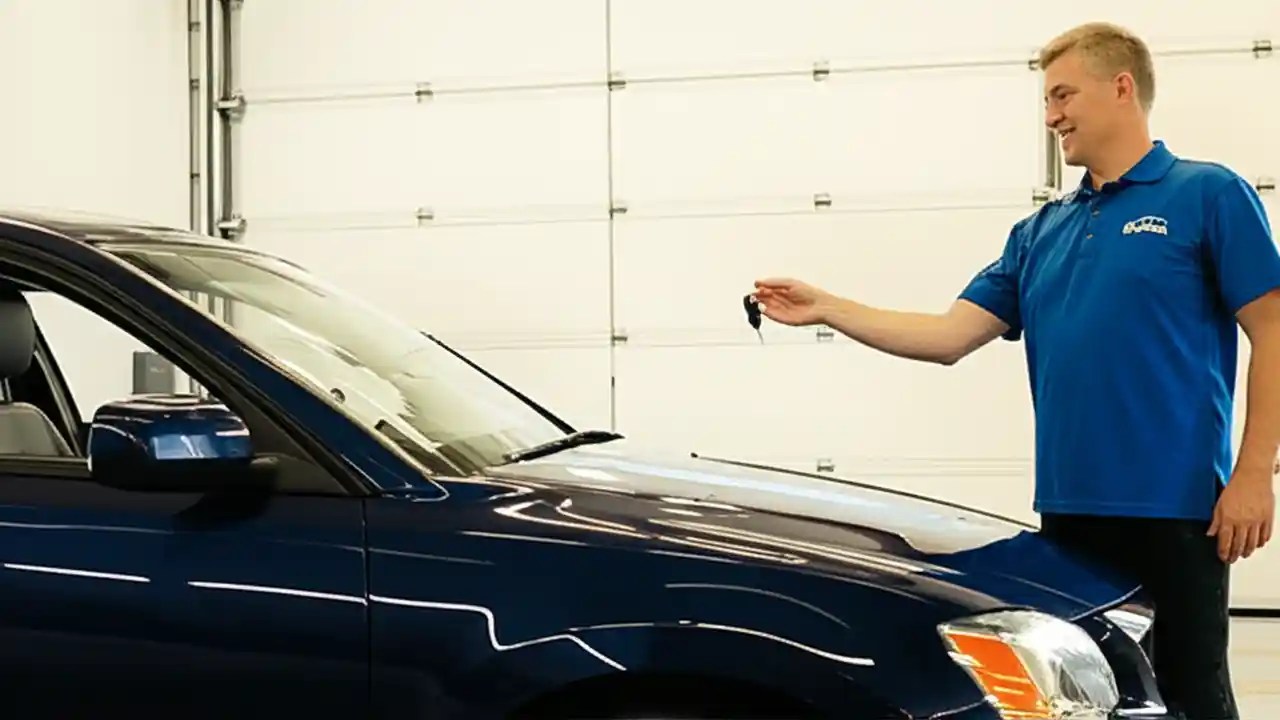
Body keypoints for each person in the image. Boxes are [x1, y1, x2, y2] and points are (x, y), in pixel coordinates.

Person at [752, 21, 1278, 720]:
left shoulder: (1207, 194)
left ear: (1122, 89)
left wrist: (1252, 475)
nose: (1051, 115)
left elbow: (1271, 329)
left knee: (1190, 698)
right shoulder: (1040, 233)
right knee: (1076, 703)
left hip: (1176, 515)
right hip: (1066, 517)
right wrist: (828, 307)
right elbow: (947, 336)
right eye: (1045, 100)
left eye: (1063, 95)